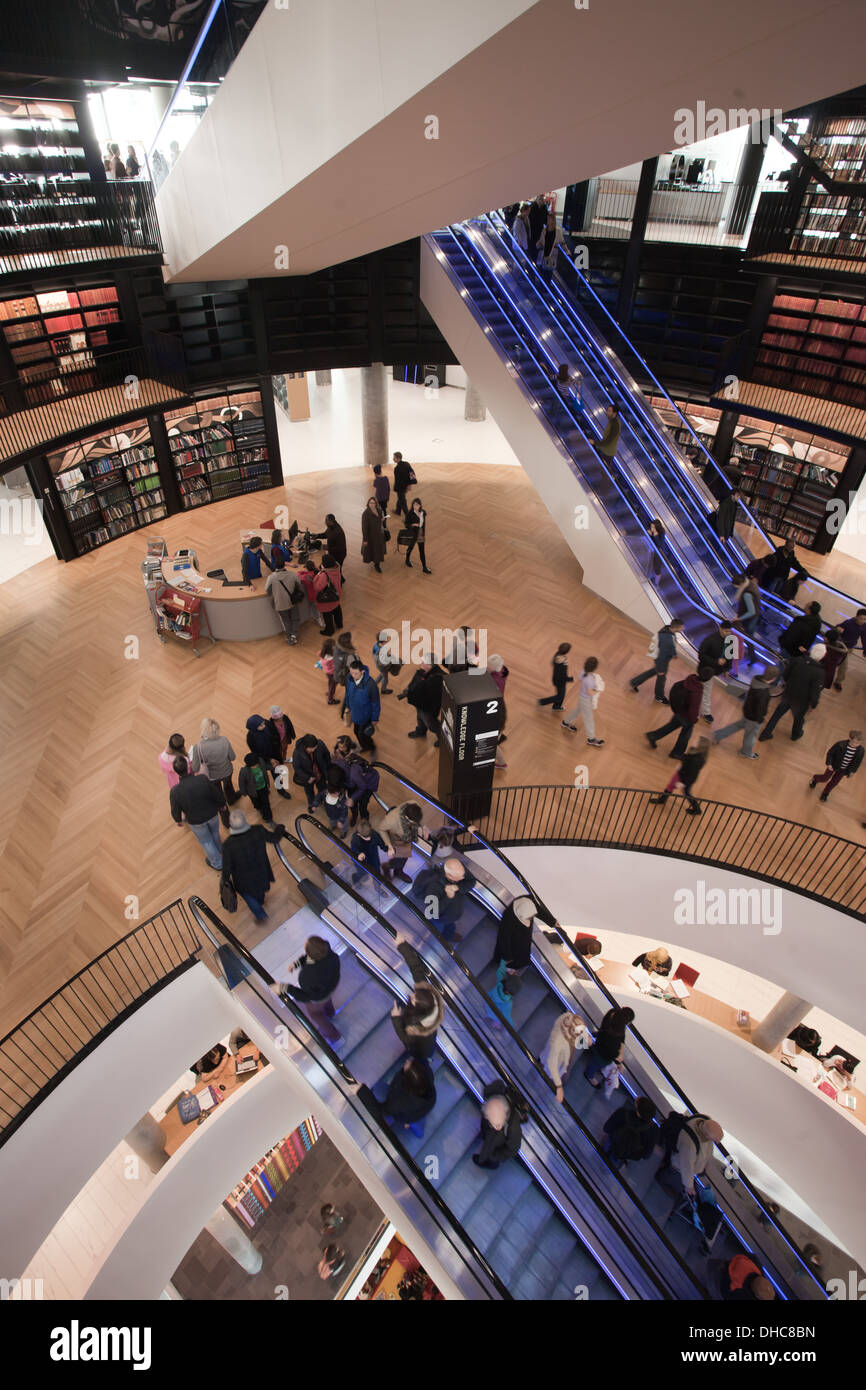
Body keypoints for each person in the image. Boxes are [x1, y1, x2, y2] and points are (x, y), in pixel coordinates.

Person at [272, 935, 342, 1043]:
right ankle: (330, 1013)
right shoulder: (327, 951)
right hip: (331, 985)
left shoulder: (309, 976)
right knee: (327, 999)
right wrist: (297, 964)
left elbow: (305, 996)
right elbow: (309, 957)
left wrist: (284, 987)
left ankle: (333, 1035)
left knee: (316, 1014)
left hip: (318, 996)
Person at [220, 810, 285, 921]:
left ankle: (261, 915)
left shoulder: (228, 845)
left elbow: (227, 868)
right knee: (260, 891)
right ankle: (261, 900)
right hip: (261, 872)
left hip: (243, 880)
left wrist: (224, 881)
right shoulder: (258, 830)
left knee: (249, 897)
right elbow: (274, 838)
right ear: (245, 821)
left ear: (230, 825)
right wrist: (281, 828)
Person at [390, 931, 444, 1059]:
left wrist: (396, 1018)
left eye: (414, 999)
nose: (412, 995)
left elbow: (405, 1038)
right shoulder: (428, 998)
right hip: (425, 1043)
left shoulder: (417, 1029)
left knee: (417, 1054)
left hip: (419, 1050)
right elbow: (416, 968)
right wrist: (402, 946)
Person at [355, 1057, 437, 1138]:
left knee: (378, 1089)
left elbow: (380, 1111)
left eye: (409, 1064)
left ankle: (412, 1124)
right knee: (419, 1117)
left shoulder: (400, 1101)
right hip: (426, 1104)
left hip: (406, 1114)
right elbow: (424, 1059)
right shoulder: (427, 1074)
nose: (407, 1061)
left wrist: (361, 1091)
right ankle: (414, 1125)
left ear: (408, 1079)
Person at [758, 644, 824, 742]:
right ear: (822, 656)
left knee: (777, 714)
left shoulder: (798, 660)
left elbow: (785, 675)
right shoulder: (819, 672)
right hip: (802, 700)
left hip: (789, 693)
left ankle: (766, 733)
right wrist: (813, 704)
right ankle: (795, 735)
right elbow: (815, 691)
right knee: (798, 718)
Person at [647, 667, 714, 758]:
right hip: (686, 716)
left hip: (679, 710)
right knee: (685, 735)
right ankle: (677, 753)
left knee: (671, 726)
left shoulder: (690, 679)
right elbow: (693, 707)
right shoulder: (697, 690)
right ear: (708, 680)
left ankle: (653, 736)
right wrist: (694, 719)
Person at [169, 761, 224, 869]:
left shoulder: (175, 791)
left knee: (206, 842)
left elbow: (175, 808)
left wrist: (178, 820)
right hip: (212, 814)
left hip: (196, 821)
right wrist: (222, 804)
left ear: (176, 773)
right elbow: (216, 793)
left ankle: (218, 863)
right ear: (188, 767)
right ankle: (220, 849)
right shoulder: (202, 779)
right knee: (215, 834)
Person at [657, 1113, 724, 1198]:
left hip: (686, 1166)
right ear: (706, 1135)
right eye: (713, 1140)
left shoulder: (704, 1120)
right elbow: (686, 1166)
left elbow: (708, 1146)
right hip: (677, 1169)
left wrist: (706, 1162)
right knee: (669, 1179)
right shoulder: (689, 1144)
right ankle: (660, 1177)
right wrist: (689, 1186)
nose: (715, 1143)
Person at [412, 856, 476, 943]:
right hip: (441, 918)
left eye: (463, 874)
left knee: (450, 924)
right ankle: (439, 936)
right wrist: (448, 897)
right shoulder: (433, 888)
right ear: (449, 875)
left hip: (453, 913)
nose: (462, 878)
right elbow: (432, 912)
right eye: (459, 877)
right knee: (437, 925)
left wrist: (458, 887)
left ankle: (449, 934)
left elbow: (471, 881)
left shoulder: (458, 869)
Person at [190, 717, 238, 825]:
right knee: (228, 786)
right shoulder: (224, 740)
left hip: (212, 777)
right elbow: (233, 757)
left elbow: (195, 768)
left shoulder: (198, 747)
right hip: (227, 772)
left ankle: (226, 820)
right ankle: (232, 799)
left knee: (219, 798)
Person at [713, 671, 770, 760]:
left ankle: (717, 735)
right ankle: (745, 752)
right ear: (773, 679)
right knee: (751, 735)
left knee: (737, 725)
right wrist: (760, 719)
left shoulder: (756, 681)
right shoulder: (764, 692)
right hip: (754, 718)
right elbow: (761, 708)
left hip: (747, 711)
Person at [649, 736, 711, 815]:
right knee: (671, 786)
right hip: (682, 773)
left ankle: (697, 809)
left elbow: (691, 773)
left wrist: (683, 782)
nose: (693, 740)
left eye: (696, 740)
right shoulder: (694, 751)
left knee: (686, 792)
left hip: (685, 778)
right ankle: (662, 800)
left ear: (700, 745)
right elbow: (687, 760)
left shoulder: (697, 759)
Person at [629, 618, 683, 703]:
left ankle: (634, 682)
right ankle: (659, 697)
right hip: (662, 661)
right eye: (681, 627)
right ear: (677, 627)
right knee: (661, 679)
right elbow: (662, 655)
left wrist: (673, 653)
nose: (683, 629)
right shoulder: (667, 640)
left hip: (660, 658)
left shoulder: (667, 629)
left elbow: (669, 645)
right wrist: (661, 669)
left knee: (654, 671)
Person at [473, 1082, 524, 1169]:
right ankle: (485, 1157)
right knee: (488, 1141)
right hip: (490, 1138)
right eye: (492, 1122)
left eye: (498, 1124)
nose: (496, 1127)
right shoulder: (492, 1098)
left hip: (496, 1147)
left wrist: (494, 1156)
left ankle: (490, 1163)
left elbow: (512, 1150)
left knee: (491, 1156)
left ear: (506, 1113)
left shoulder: (513, 1129)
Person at [543, 1011, 590, 1103]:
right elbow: (552, 1064)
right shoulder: (558, 1044)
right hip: (551, 1068)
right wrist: (559, 1087)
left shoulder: (565, 1019)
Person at [377, 801, 429, 882]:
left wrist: (424, 828)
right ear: (407, 818)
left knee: (404, 856)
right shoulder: (391, 820)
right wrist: (389, 846)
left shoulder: (414, 804)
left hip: (408, 837)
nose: (416, 824)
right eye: (414, 822)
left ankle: (398, 871)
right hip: (397, 837)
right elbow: (381, 829)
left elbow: (419, 819)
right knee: (400, 856)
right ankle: (387, 866)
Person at [583, 1006, 634, 1087]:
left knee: (598, 1054)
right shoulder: (616, 1034)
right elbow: (613, 1053)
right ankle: (589, 1075)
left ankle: (589, 1037)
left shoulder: (613, 1013)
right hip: (602, 1052)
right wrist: (619, 1062)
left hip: (601, 1037)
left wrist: (620, 1054)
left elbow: (621, 1037)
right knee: (597, 1063)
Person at [561, 655, 605, 746]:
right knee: (589, 719)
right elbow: (590, 692)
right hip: (586, 700)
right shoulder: (590, 680)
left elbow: (580, 678)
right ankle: (591, 739)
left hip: (581, 697)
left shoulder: (583, 672)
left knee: (577, 710)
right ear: (595, 667)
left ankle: (566, 722)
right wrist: (598, 690)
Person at [808, 730, 864, 803]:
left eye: (858, 743)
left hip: (844, 770)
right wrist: (829, 763)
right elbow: (830, 753)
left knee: (834, 782)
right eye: (854, 742)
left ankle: (825, 793)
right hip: (833, 765)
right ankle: (815, 779)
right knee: (825, 778)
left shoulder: (861, 750)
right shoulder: (840, 745)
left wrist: (853, 771)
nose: (856, 744)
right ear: (850, 738)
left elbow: (858, 762)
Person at [246, 714, 292, 799]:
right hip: (264, 759)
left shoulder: (266, 724)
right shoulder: (250, 738)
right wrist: (269, 759)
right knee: (263, 775)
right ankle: (265, 790)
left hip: (274, 754)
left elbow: (275, 736)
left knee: (276, 773)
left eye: (263, 723)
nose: (264, 725)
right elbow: (256, 753)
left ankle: (280, 789)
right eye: (261, 725)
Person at [696, 620, 734, 724]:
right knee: (705, 691)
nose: (728, 633)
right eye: (726, 631)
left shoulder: (730, 640)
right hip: (706, 671)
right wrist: (716, 661)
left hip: (715, 671)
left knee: (703, 690)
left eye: (730, 631)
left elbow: (729, 656)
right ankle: (704, 712)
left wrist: (727, 669)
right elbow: (701, 656)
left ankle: (701, 710)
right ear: (720, 629)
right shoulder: (710, 640)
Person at [602, 1097, 658, 1166]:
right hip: (626, 1155)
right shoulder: (654, 1129)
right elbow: (646, 1155)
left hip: (611, 1145)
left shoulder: (622, 1113)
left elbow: (606, 1128)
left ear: (638, 1110)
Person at [401, 654, 444, 743]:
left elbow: (432, 696)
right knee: (420, 718)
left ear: (430, 665)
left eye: (423, 662)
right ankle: (421, 731)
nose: (421, 663)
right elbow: (416, 682)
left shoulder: (437, 679)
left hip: (428, 708)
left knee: (431, 724)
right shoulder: (424, 671)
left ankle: (442, 738)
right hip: (420, 704)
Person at [343, 658, 381, 753]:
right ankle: (365, 746)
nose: (353, 675)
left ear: (362, 672)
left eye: (356, 673)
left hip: (365, 716)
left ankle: (371, 747)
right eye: (351, 672)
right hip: (355, 713)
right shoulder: (349, 678)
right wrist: (347, 706)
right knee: (356, 732)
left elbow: (375, 704)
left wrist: (375, 718)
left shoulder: (371, 685)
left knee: (363, 735)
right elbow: (347, 693)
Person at [492, 895, 536, 972]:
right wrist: (508, 957)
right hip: (512, 951)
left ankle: (511, 967)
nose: (531, 918)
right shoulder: (509, 921)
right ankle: (508, 968)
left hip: (519, 948)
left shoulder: (526, 905)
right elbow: (504, 939)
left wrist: (551, 921)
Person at [266, 554, 303, 644]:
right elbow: (299, 585)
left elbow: (267, 590)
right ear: (284, 564)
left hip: (280, 603)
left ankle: (288, 636)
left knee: (286, 620)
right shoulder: (292, 575)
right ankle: (294, 635)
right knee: (295, 618)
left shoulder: (271, 577)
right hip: (292, 601)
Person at [292, 733, 331, 809]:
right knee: (309, 792)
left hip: (320, 774)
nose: (315, 749)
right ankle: (312, 803)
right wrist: (307, 777)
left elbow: (327, 756)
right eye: (312, 748)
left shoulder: (320, 744)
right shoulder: (297, 753)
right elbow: (297, 767)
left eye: (316, 747)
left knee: (323, 789)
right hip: (309, 777)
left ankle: (324, 801)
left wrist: (327, 769)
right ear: (305, 747)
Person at [343, 752, 380, 824]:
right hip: (359, 784)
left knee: (363, 806)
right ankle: (355, 815)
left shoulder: (358, 774)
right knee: (353, 804)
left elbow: (363, 787)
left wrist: (352, 798)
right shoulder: (353, 770)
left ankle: (364, 818)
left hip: (368, 787)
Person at [238, 751, 274, 826]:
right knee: (256, 803)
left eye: (256, 764)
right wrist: (244, 792)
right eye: (254, 766)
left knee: (266, 804)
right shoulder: (244, 771)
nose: (256, 766)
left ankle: (268, 819)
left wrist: (272, 767)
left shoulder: (260, 762)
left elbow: (265, 767)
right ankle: (258, 807)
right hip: (253, 791)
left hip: (263, 787)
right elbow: (241, 783)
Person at [311, 554, 344, 635]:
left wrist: (318, 574)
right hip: (336, 594)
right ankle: (339, 624)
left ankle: (329, 630)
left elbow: (317, 587)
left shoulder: (324, 575)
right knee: (336, 608)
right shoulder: (337, 568)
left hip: (328, 598)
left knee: (327, 614)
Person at [538, 641, 573, 710]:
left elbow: (553, 664)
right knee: (560, 696)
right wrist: (570, 679)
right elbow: (563, 675)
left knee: (561, 695)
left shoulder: (557, 654)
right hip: (560, 681)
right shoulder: (563, 663)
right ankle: (542, 702)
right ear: (567, 652)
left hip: (555, 679)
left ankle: (557, 706)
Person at [836, 608, 866, 688]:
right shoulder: (849, 622)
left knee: (843, 665)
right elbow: (839, 626)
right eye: (861, 618)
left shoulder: (864, 626)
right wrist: (838, 628)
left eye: (865, 619)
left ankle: (838, 681)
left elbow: (864, 638)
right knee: (840, 663)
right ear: (856, 617)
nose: (862, 621)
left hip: (849, 649)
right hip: (841, 646)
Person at [404, 497, 431, 573]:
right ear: (412, 505)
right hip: (413, 534)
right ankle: (407, 559)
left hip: (421, 534)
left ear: (420, 506)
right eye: (414, 505)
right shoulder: (410, 513)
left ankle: (424, 567)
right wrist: (413, 525)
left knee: (422, 551)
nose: (415, 506)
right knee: (410, 547)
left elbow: (423, 523)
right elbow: (406, 524)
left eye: (417, 505)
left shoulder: (423, 513)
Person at [361, 496, 387, 572]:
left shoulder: (379, 510)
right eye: (370, 503)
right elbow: (364, 528)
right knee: (373, 551)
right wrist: (365, 539)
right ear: (368, 503)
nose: (372, 504)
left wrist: (382, 519)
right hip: (371, 536)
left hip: (379, 535)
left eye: (373, 503)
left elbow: (380, 521)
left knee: (378, 550)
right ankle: (376, 564)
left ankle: (377, 564)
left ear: (376, 504)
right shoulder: (365, 514)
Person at [821, 624, 848, 691]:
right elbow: (840, 662)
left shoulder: (827, 649)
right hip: (829, 674)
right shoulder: (841, 651)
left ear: (827, 638)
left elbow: (820, 659)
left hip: (821, 673)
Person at [371, 630, 399, 695]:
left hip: (377, 664)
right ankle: (383, 690)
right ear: (383, 641)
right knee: (385, 679)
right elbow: (384, 662)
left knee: (382, 674)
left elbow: (374, 654)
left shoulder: (376, 644)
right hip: (382, 666)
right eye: (386, 639)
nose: (387, 640)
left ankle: (374, 684)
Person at [392, 452, 415, 520]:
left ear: (398, 458)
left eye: (394, 458)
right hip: (405, 487)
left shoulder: (397, 468)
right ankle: (398, 511)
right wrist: (410, 484)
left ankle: (408, 518)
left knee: (403, 503)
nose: (393, 459)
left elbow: (399, 481)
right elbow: (412, 473)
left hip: (400, 488)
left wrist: (397, 488)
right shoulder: (406, 464)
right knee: (400, 499)